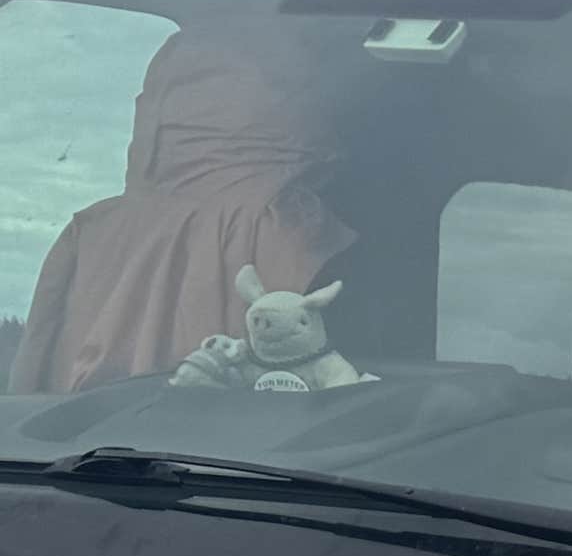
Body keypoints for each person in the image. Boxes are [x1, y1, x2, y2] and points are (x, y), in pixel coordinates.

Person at [8, 35, 353, 395]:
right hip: (229, 435)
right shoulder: (295, 226)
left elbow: (25, 386)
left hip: (78, 433)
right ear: (305, 111)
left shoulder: (89, 230)